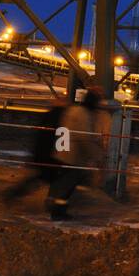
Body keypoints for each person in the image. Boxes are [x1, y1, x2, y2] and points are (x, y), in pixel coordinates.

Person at [46, 87, 106, 220]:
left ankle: (54, 206)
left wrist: (60, 149)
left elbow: (63, 129)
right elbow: (84, 138)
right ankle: (58, 213)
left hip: (63, 152)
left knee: (62, 183)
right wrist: (97, 156)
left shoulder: (73, 110)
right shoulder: (85, 115)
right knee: (67, 186)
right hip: (73, 156)